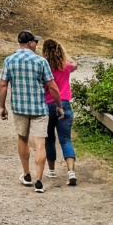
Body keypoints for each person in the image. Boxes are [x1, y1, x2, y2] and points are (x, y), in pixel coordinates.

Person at [0, 31, 62, 194]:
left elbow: (3, 85)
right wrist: (59, 104)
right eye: (36, 42)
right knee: (40, 143)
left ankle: (27, 175)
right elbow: (52, 86)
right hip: (39, 108)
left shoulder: (9, 60)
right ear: (31, 43)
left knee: (23, 139)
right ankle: (39, 181)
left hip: (19, 108)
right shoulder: (41, 61)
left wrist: (2, 106)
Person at [42, 38, 78, 186]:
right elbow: (76, 64)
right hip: (65, 104)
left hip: (48, 105)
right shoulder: (66, 66)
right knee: (65, 139)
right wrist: (65, 54)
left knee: (49, 138)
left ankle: (51, 170)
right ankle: (71, 172)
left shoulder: (44, 67)